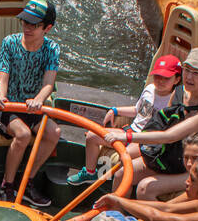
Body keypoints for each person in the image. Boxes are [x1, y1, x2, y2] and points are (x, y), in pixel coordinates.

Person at [101, 47, 198, 202]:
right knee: (122, 174)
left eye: (197, 73)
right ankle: (116, 219)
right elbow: (164, 122)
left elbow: (169, 136)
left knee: (145, 188)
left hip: (193, 166)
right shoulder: (179, 92)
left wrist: (127, 136)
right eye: (187, 70)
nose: (189, 77)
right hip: (170, 156)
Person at [0, 0, 60, 208]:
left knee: (53, 133)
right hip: (6, 105)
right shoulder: (10, 42)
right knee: (24, 134)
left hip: (30, 105)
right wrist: (1, 98)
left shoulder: (52, 49)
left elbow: (48, 83)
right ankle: (6, 186)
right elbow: (3, 77)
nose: (27, 28)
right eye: (25, 23)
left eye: (33, 25)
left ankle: (26, 182)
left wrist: (38, 100)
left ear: (47, 28)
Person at [67, 54, 181, 191]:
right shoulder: (150, 89)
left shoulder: (174, 102)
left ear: (177, 79)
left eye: (166, 78)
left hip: (145, 141)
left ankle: (112, 187)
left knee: (125, 155)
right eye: (157, 76)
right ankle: (90, 173)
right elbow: (138, 110)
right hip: (130, 131)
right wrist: (115, 110)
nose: (160, 81)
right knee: (92, 136)